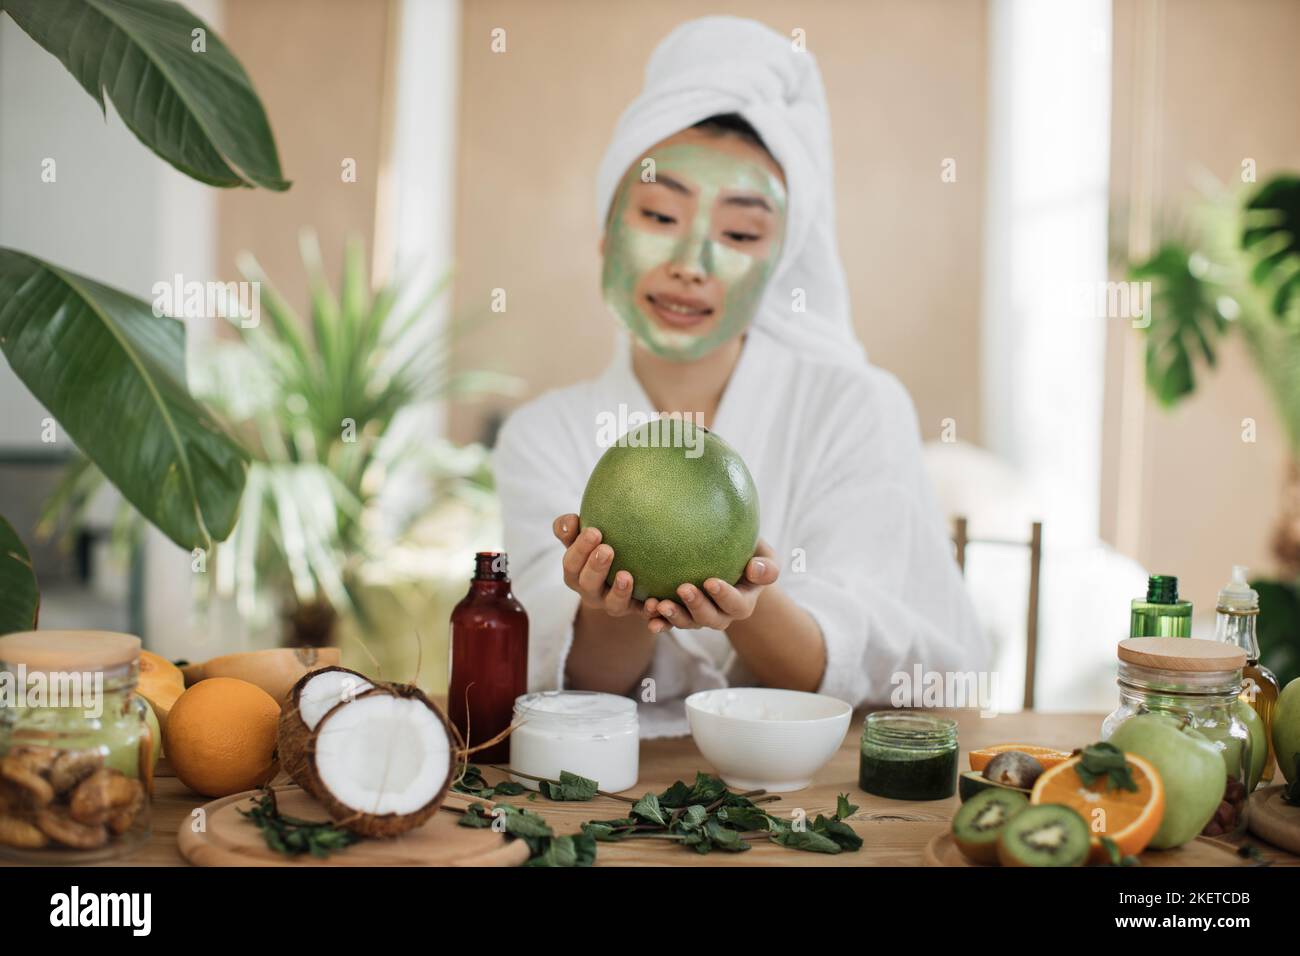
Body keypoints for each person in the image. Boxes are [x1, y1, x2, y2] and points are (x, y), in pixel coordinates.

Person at [493, 16, 988, 736]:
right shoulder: (541, 436)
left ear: (779, 262)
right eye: (660, 213)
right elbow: (573, 681)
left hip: (821, 798)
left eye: (741, 233)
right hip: (618, 797)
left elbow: (882, 669)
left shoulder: (856, 407)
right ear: (605, 234)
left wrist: (753, 609)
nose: (692, 262)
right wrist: (610, 610)